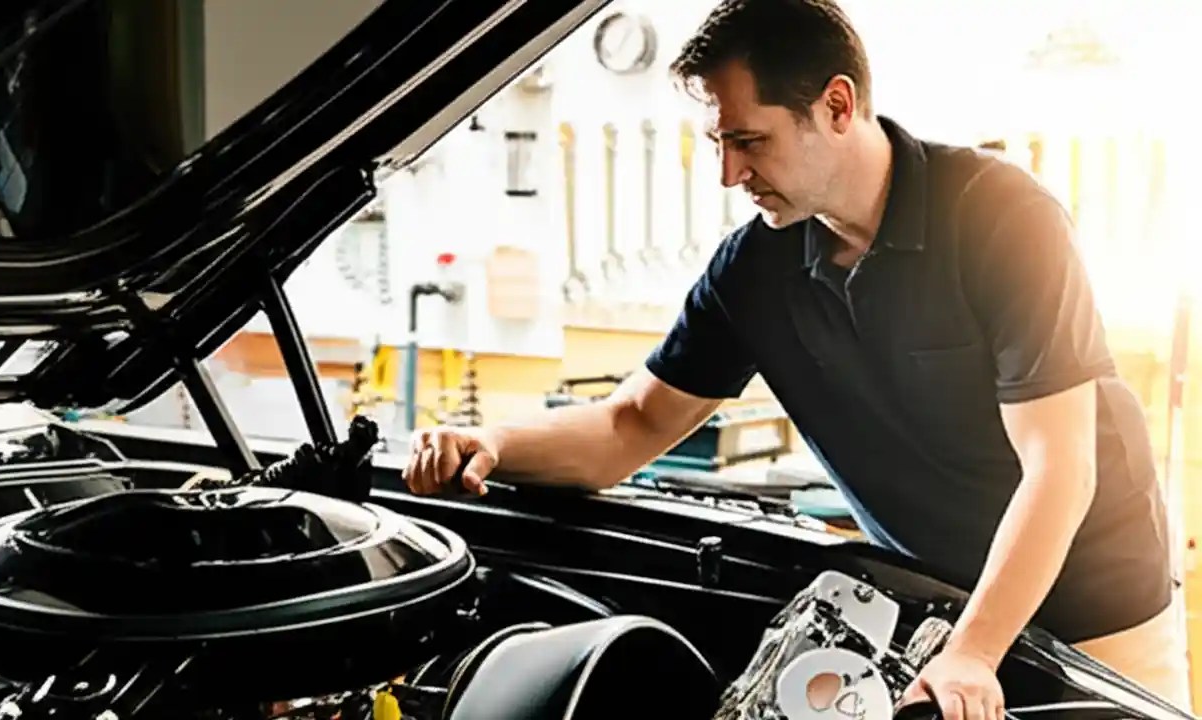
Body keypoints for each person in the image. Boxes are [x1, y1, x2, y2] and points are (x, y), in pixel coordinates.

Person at [402, 0, 1190, 716]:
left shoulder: (1001, 217)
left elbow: (1060, 467)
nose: (729, 174)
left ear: (837, 106)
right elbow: (630, 424)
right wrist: (495, 444)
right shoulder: (755, 269)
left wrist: (976, 653)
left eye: (749, 141)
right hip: (930, 610)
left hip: (1095, 615)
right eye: (719, 144)